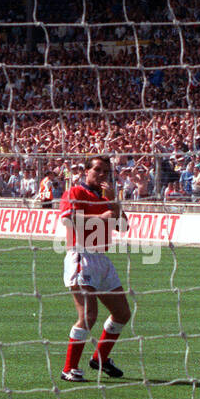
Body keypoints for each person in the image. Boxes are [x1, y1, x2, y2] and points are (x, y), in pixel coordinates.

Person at [58, 155, 131, 383]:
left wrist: (114, 203)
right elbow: (68, 220)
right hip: (81, 255)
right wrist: (103, 216)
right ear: (86, 171)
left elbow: (124, 226)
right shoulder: (75, 192)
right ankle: (69, 368)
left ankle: (100, 358)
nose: (101, 175)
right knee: (88, 316)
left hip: (101, 259)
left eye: (105, 172)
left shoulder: (106, 197)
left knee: (122, 313)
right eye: (97, 170)